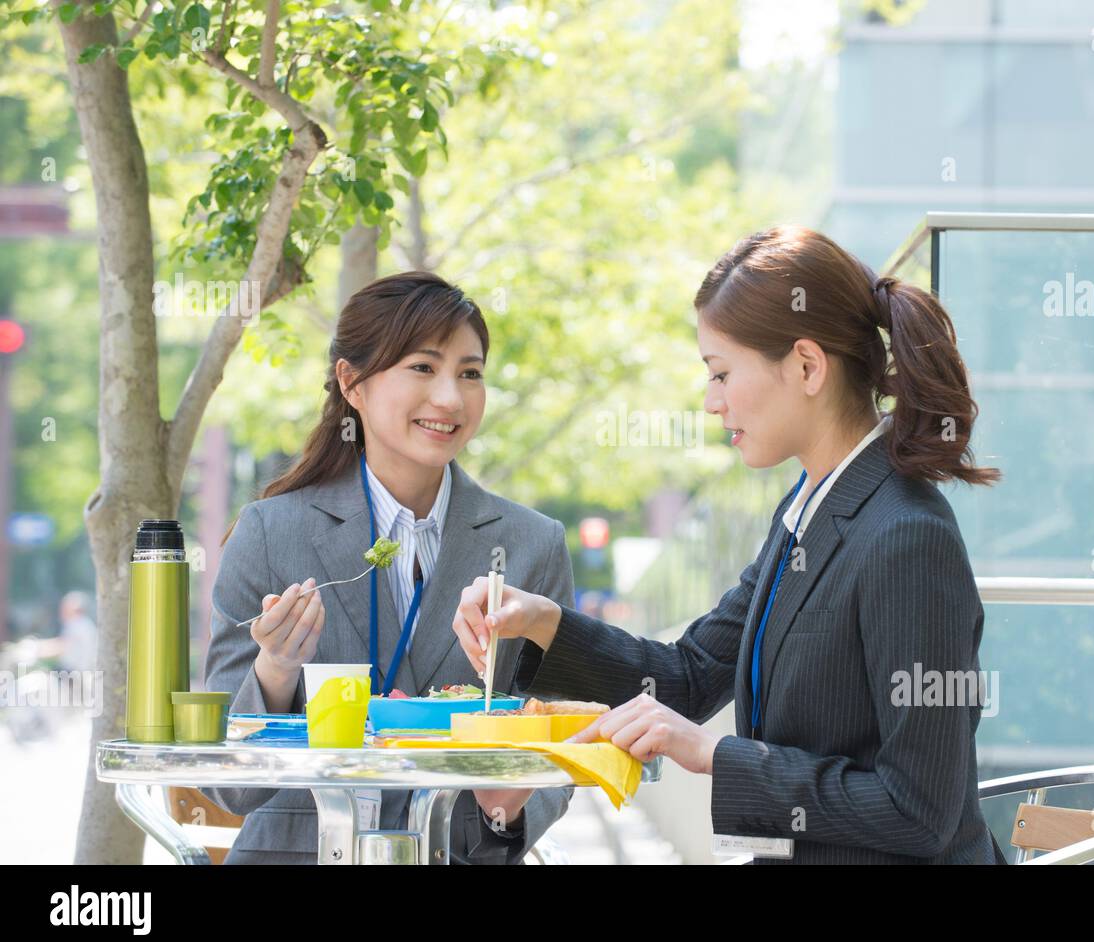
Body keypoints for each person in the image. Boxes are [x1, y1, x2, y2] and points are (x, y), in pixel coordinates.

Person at [453, 226, 1008, 864]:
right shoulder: (808, 511)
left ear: (806, 366)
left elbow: (921, 812)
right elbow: (688, 677)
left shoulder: (907, 537)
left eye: (720, 374)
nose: (712, 402)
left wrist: (715, 754)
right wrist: (541, 622)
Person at [203, 272, 575, 864]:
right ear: (353, 384)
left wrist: (500, 811)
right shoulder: (270, 533)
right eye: (423, 368)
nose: (450, 398)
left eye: (470, 373)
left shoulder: (533, 545)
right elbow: (227, 783)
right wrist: (274, 671)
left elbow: (555, 745)